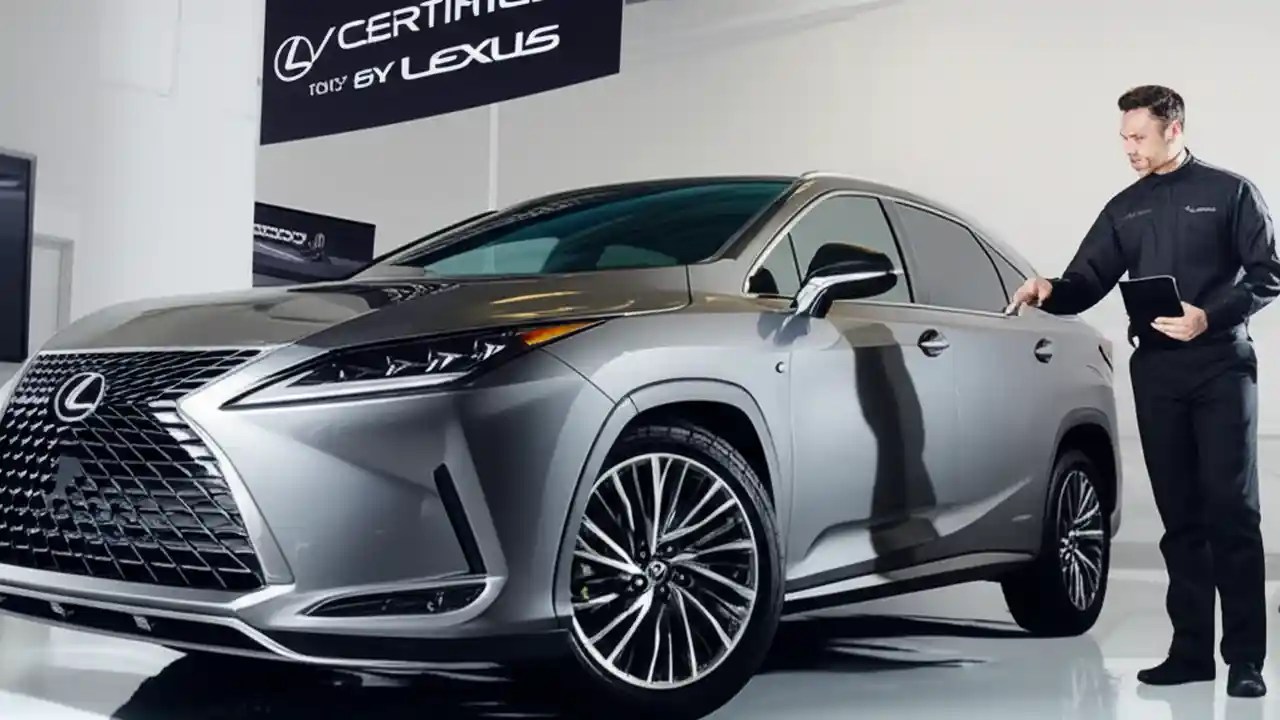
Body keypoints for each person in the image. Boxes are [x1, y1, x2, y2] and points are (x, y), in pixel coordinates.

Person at [1007, 85, 1280, 699]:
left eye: (1139, 137)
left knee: (1232, 513)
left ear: (1173, 129)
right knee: (1180, 516)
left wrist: (1208, 316)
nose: (1129, 149)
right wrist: (1047, 289)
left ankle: (1244, 659)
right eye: (1124, 138)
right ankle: (1189, 655)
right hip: (1156, 371)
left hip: (1221, 367)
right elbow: (1087, 281)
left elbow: (1269, 275)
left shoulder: (1230, 193)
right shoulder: (1124, 208)